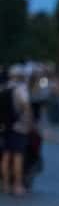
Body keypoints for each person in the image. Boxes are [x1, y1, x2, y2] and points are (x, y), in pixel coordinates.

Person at [1, 66, 32, 196]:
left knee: (5, 155)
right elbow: (26, 107)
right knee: (18, 156)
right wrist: (30, 123)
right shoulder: (21, 89)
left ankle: (5, 184)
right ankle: (17, 185)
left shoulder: (3, 88)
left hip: (4, 127)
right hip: (19, 127)